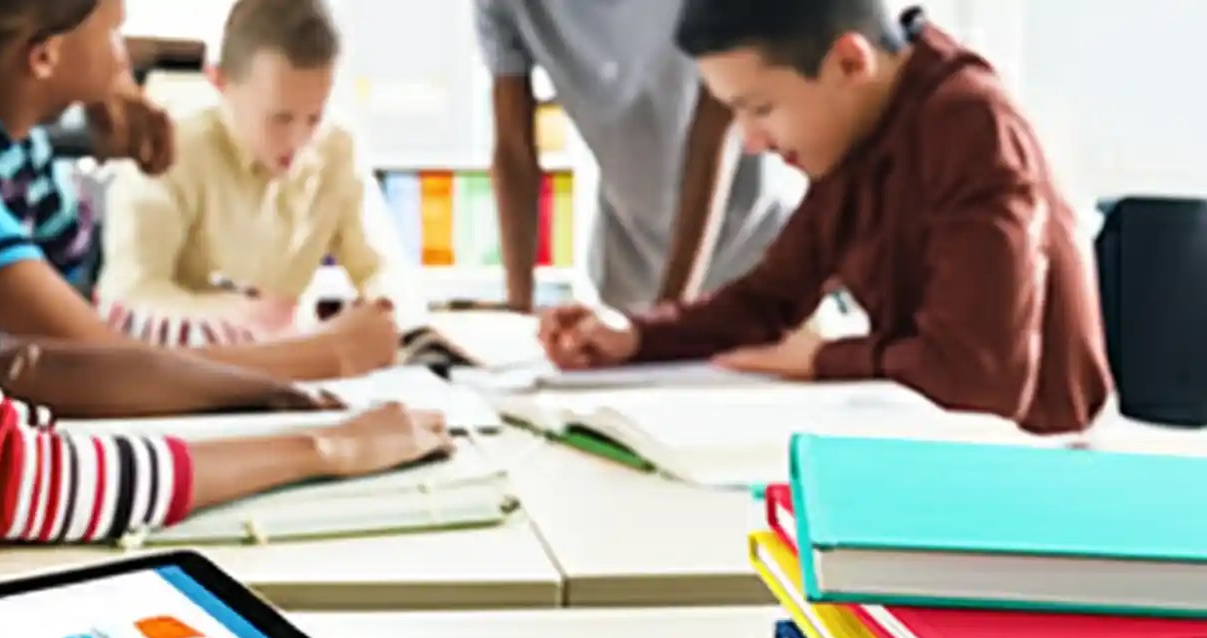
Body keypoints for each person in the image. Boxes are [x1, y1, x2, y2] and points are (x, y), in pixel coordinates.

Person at [0, 1, 450, 591]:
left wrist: (274, 390)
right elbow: (70, 372)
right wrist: (322, 428)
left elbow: (48, 364)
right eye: (117, 33)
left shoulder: (8, 138)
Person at [538, 0, 1112, 434]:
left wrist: (821, 358)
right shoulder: (855, 132)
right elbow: (767, 301)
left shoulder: (969, 124)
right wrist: (634, 335)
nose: (753, 141)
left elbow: (976, 377)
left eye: (760, 108)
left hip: (1037, 467)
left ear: (848, 62)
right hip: (935, 446)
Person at [0, 0, 398, 381]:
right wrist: (320, 357)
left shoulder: (12, 135)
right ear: (44, 55)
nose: (124, 61)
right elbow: (97, 359)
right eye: (115, 32)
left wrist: (101, 89)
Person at [97, 0, 422, 341]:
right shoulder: (169, 146)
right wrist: (238, 314)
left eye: (314, 116)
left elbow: (383, 271)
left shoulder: (337, 145)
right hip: (185, 373)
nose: (300, 141)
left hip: (295, 366)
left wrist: (387, 310)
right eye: (279, 118)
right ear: (219, 82)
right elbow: (126, 298)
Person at [474, 0, 799, 312]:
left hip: (751, 251)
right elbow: (514, 151)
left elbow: (711, 134)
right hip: (627, 263)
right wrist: (519, 308)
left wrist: (669, 313)